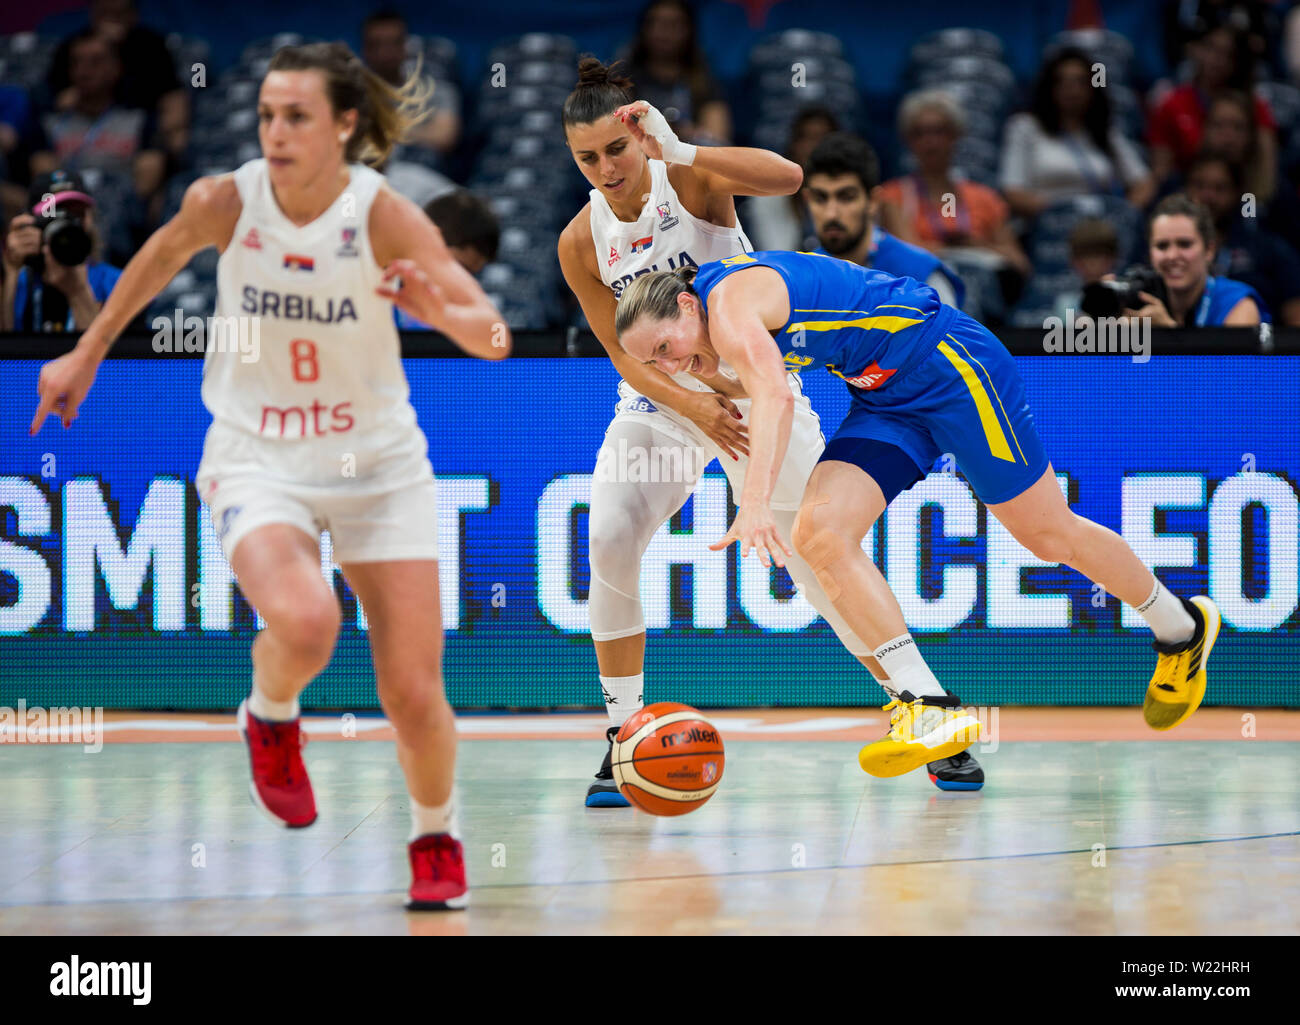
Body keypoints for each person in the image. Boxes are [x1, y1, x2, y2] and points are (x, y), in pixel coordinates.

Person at [28, 42, 510, 911]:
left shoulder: (384, 212)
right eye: (266, 115)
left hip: (377, 460)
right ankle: (270, 713)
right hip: (259, 451)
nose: (275, 132)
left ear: (346, 125)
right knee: (305, 616)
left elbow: (494, 333)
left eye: (297, 116)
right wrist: (86, 349)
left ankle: (436, 835)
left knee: (411, 686)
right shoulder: (228, 198)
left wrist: (442, 309)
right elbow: (158, 261)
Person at [555, 59, 987, 800]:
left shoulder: (684, 180)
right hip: (665, 400)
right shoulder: (578, 243)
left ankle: (927, 713)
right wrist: (692, 406)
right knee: (608, 536)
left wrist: (679, 149)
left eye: (615, 151)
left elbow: (787, 177)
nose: (605, 169)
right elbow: (624, 356)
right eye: (586, 158)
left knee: (817, 559)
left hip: (756, 392)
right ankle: (623, 735)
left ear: (639, 134)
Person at [615, 252, 1223, 775]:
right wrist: (700, 371)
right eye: (655, 364)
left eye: (666, 348)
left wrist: (750, 503)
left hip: (951, 365)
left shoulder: (726, 306)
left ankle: (1180, 626)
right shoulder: (716, 321)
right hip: (884, 395)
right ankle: (929, 706)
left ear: (688, 306)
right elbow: (768, 376)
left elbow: (772, 393)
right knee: (820, 533)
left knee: (1047, 535)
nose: (669, 367)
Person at [876, 89, 1030, 280]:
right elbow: (905, 256)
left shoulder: (985, 197)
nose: (930, 141)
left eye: (939, 131)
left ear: (955, 135)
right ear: (908, 140)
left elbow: (1019, 262)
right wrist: (958, 248)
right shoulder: (892, 195)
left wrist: (978, 246)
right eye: (920, 133)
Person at [803, 132, 965, 310]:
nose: (831, 214)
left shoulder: (924, 278)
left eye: (846, 197)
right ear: (807, 199)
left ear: (873, 201)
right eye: (820, 198)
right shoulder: (798, 277)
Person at [1000, 47, 1155, 218]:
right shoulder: (1024, 127)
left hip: (1099, 228)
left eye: (1080, 81)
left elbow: (1144, 182)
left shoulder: (1105, 130)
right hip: (1047, 226)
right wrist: (1065, 213)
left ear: (1092, 87)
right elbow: (1012, 192)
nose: (1072, 89)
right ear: (1049, 87)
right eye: (1062, 81)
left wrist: (1123, 214)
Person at [1147, 23, 1277, 187]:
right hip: (1188, 189)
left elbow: (1265, 170)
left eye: (1228, 54)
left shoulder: (1255, 106)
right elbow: (1161, 173)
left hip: (1247, 192)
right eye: (1211, 48)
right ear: (1195, 49)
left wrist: (1257, 201)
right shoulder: (1172, 103)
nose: (1217, 59)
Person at [1182, 152, 1299, 325]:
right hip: (1180, 347)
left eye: (1219, 188)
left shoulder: (1268, 248)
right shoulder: (1167, 252)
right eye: (1199, 186)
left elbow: (1295, 315)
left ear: (1237, 194)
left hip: (1254, 347)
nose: (1208, 197)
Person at [1, 170, 121, 333]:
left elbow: (118, 356)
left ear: (91, 219)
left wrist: (78, 293)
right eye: (53, 217)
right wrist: (10, 272)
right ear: (29, 224)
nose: (65, 226)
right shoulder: (18, 282)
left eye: (75, 216)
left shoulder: (117, 284)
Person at [1122, 193, 1266, 327]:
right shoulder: (1138, 300)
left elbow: (1231, 355)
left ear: (1209, 250)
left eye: (1184, 244)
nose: (1172, 256)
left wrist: (1167, 334)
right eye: (1162, 246)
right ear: (1150, 252)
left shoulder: (1237, 303)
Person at [621, 0, 732, 144]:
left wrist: (689, 133)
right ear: (644, 28)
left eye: (673, 24)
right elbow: (615, 131)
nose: (664, 32)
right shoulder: (625, 78)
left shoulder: (704, 81)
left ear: (689, 30)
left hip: (690, 156)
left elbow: (719, 140)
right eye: (656, 23)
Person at [741, 104, 840, 252]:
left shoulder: (848, 198)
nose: (814, 147)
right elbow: (775, 257)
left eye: (822, 138)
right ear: (793, 144)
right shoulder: (766, 200)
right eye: (808, 138)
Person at [397, 189, 498, 329]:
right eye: (460, 268)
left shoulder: (471, 323)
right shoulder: (372, 292)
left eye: (472, 275)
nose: (464, 282)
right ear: (428, 239)